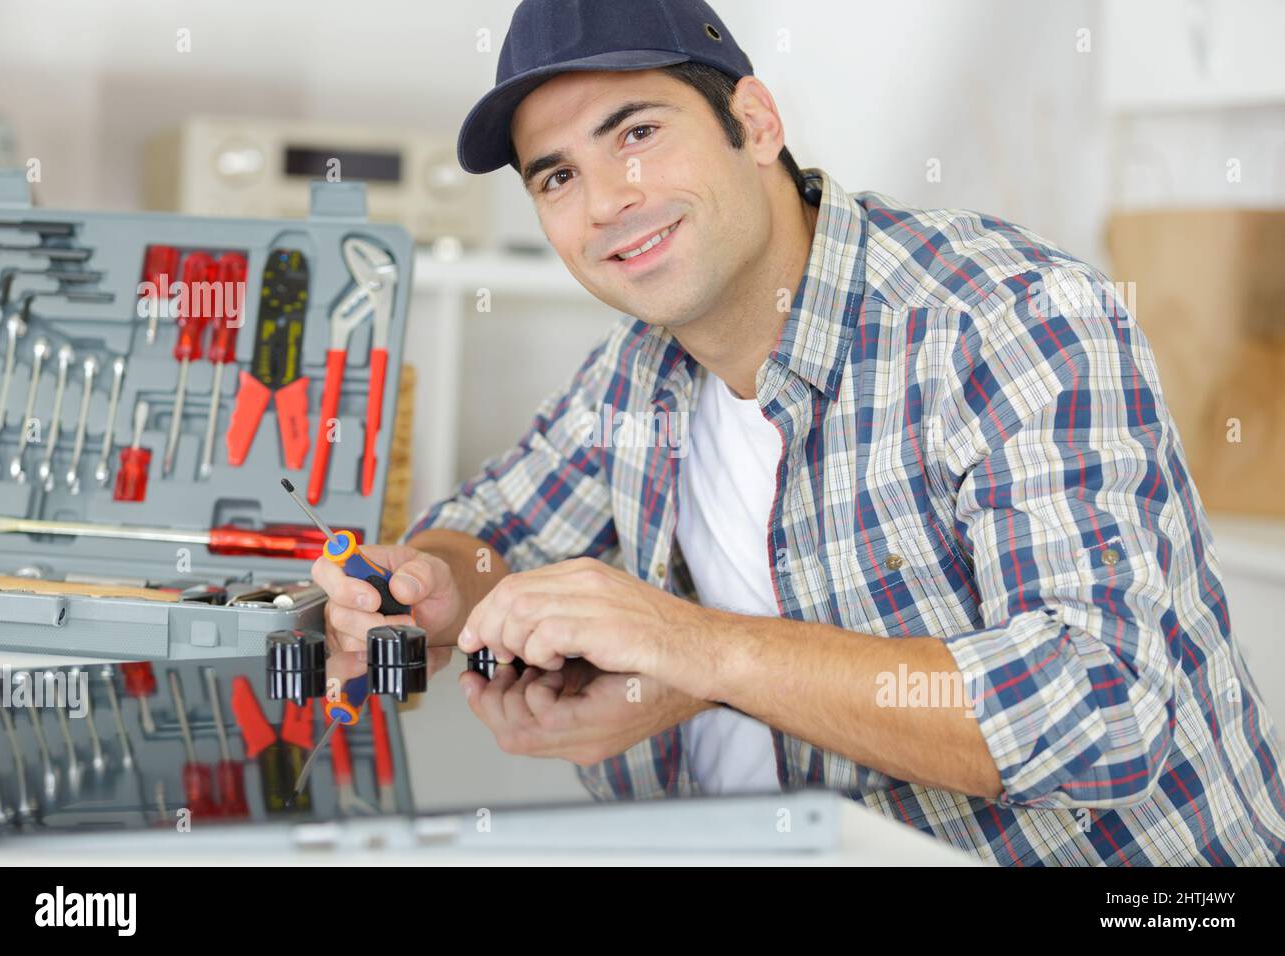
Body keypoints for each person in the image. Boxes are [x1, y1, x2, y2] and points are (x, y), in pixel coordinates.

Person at [312, 0, 1285, 865]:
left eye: (637, 132)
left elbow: (1098, 710)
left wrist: (699, 654)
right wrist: (436, 581)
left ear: (755, 121)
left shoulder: (1007, 316)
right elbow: (492, 531)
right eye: (556, 176)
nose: (607, 201)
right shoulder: (636, 372)